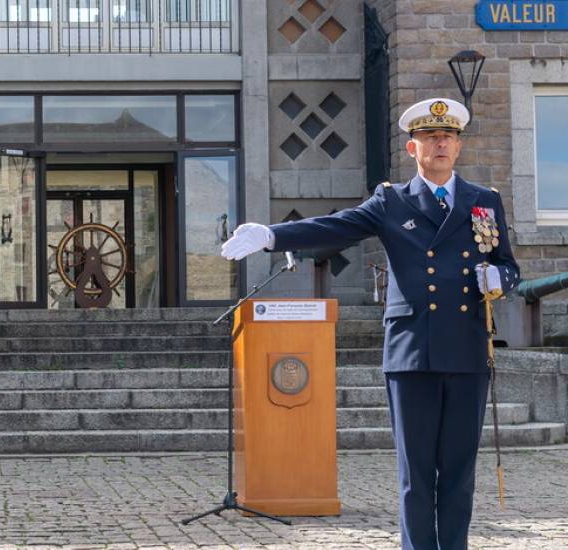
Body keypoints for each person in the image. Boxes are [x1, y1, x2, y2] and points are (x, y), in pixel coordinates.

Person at [221, 98, 520, 550]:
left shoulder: (484, 202)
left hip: (466, 349)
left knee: (459, 475)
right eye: (430, 138)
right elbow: (336, 227)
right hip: (412, 351)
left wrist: (501, 277)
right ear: (412, 148)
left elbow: (508, 265)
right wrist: (273, 236)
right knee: (416, 475)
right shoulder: (392, 201)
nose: (441, 144)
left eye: (449, 137)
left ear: (458, 147)